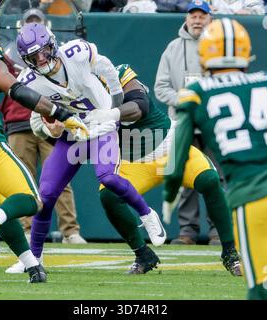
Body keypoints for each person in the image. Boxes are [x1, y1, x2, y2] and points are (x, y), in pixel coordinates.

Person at [32, 63, 241, 276]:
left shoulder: (116, 74)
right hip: (132, 161)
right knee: (109, 197)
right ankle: (142, 254)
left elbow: (139, 107)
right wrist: (53, 131)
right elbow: (64, 133)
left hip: (170, 147)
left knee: (209, 181)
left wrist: (110, 114)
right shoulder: (72, 95)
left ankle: (230, 252)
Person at [15, 23, 166, 262]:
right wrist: (49, 129)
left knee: (107, 177)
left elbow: (107, 69)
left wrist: (113, 106)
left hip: (102, 123)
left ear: (53, 44)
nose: (41, 59)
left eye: (44, 51)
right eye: (34, 56)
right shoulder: (29, 81)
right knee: (45, 195)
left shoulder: (76, 53)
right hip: (74, 133)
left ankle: (147, 214)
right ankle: (34, 259)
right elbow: (37, 121)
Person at [0, 9, 87, 283]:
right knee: (31, 201)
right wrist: (61, 113)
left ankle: (32, 266)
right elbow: (14, 89)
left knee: (5, 210)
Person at [164, 18, 267, 299]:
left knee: (264, 287)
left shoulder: (196, 94)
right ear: (246, 54)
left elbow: (176, 161)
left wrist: (170, 194)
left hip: (252, 195)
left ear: (204, 55)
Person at [154, 0, 220, 245]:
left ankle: (217, 231)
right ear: (186, 19)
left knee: (216, 178)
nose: (197, 20)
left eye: (202, 16)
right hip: (183, 123)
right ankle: (187, 231)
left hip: (214, 123)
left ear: (210, 19)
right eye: (193, 15)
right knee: (185, 177)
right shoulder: (173, 48)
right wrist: (186, 101)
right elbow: (160, 87)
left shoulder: (220, 45)